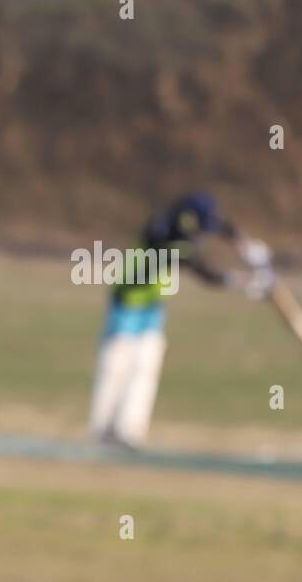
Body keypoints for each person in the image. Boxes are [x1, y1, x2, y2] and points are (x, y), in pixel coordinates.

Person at [87, 192, 262, 448]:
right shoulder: (162, 234)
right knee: (116, 364)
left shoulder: (182, 228)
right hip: (128, 300)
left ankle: (130, 430)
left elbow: (219, 225)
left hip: (152, 304)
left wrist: (242, 243)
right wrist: (236, 280)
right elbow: (200, 268)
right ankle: (102, 428)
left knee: (146, 365)